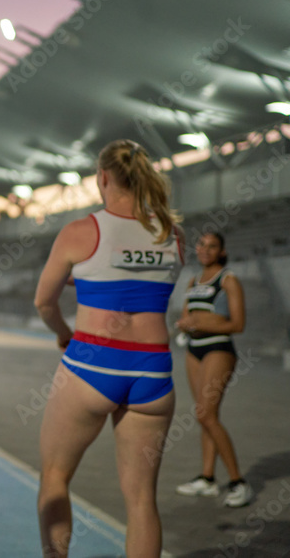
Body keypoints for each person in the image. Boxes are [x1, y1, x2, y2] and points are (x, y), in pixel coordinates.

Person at [33, 139, 183, 558]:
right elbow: (138, 281)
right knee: (141, 501)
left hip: (93, 362)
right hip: (153, 371)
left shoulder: (81, 231)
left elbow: (43, 303)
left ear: (102, 177)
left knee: (55, 477)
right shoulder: (173, 234)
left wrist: (63, 333)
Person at [174, 232, 252, 507]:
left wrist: (201, 322)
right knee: (206, 415)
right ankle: (207, 479)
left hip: (218, 349)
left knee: (205, 414)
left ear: (222, 251)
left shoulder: (228, 280)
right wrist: (187, 324)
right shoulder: (193, 281)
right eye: (202, 244)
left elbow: (237, 324)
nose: (205, 250)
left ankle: (238, 482)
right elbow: (187, 317)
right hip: (194, 350)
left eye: (212, 246)